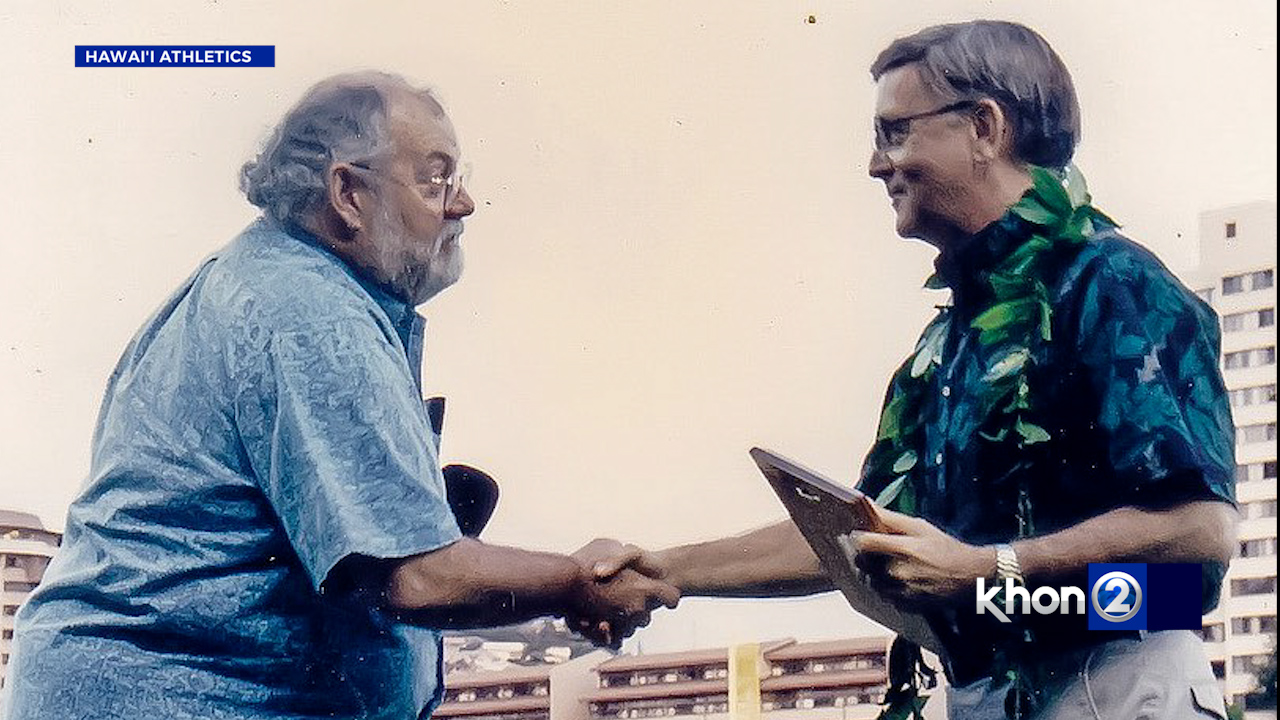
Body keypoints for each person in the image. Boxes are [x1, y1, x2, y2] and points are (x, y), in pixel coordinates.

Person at [595, 21, 1236, 720]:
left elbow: (1201, 529)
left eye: (894, 133)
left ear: (985, 127)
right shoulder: (948, 342)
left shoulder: (1113, 281)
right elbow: (864, 533)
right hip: (992, 693)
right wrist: (666, 569)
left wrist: (989, 571)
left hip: (1118, 680)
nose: (877, 165)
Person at [4, 71, 678, 720]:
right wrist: (576, 581)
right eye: (435, 178)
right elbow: (416, 577)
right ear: (349, 193)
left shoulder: (261, 280)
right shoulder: (310, 312)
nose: (463, 204)